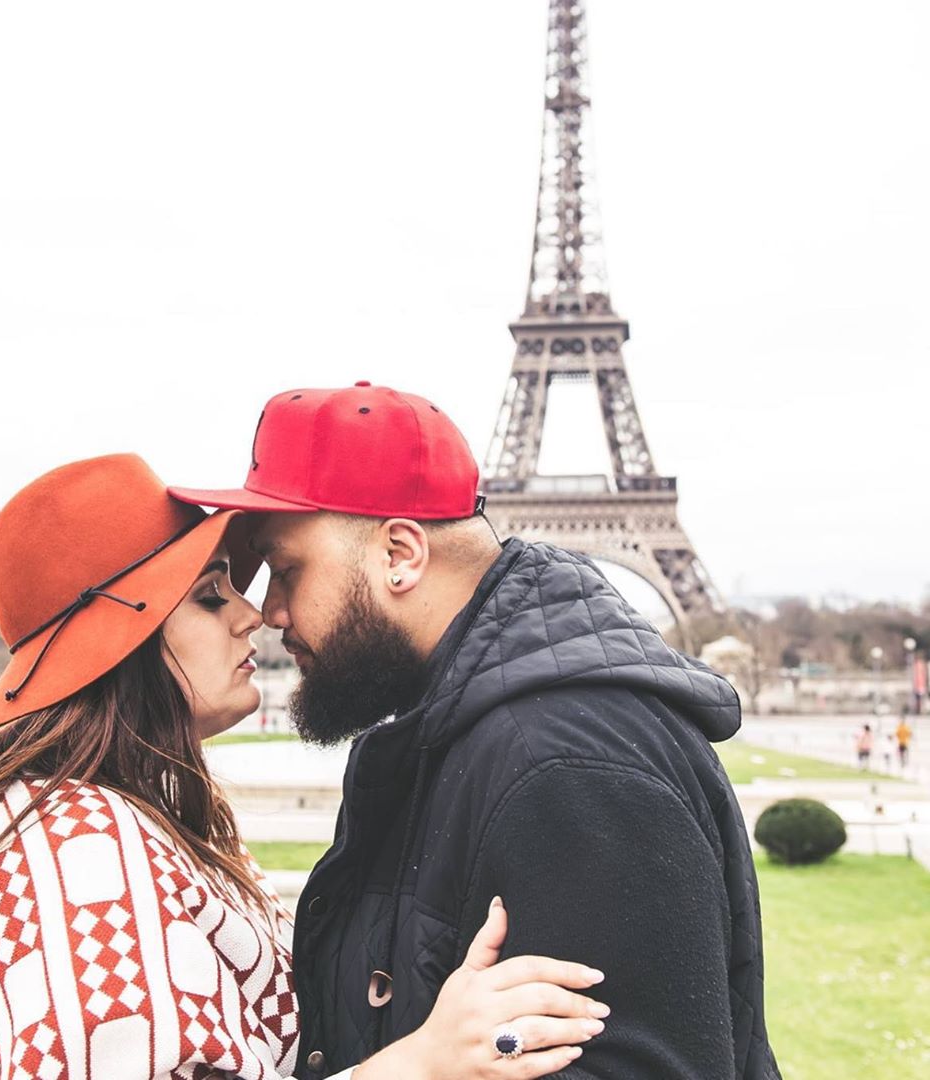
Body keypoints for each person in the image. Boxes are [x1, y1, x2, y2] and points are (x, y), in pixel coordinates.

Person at [0, 454, 609, 1080]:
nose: (255, 614)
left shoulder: (94, 819)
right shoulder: (77, 843)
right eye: (211, 597)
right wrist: (429, 1061)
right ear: (126, 649)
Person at [170, 382, 783, 1080]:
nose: (271, 611)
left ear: (400, 553)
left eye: (286, 570)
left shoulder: (562, 765)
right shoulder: (475, 734)